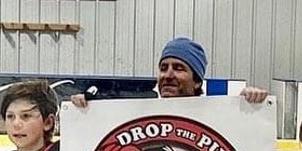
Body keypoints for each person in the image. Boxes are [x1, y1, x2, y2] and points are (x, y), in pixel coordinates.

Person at [70, 36, 269, 105]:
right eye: (163, 68)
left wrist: (249, 106)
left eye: (179, 68)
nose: (168, 75)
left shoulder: (218, 115)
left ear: (197, 81)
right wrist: (85, 112)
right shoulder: (139, 113)